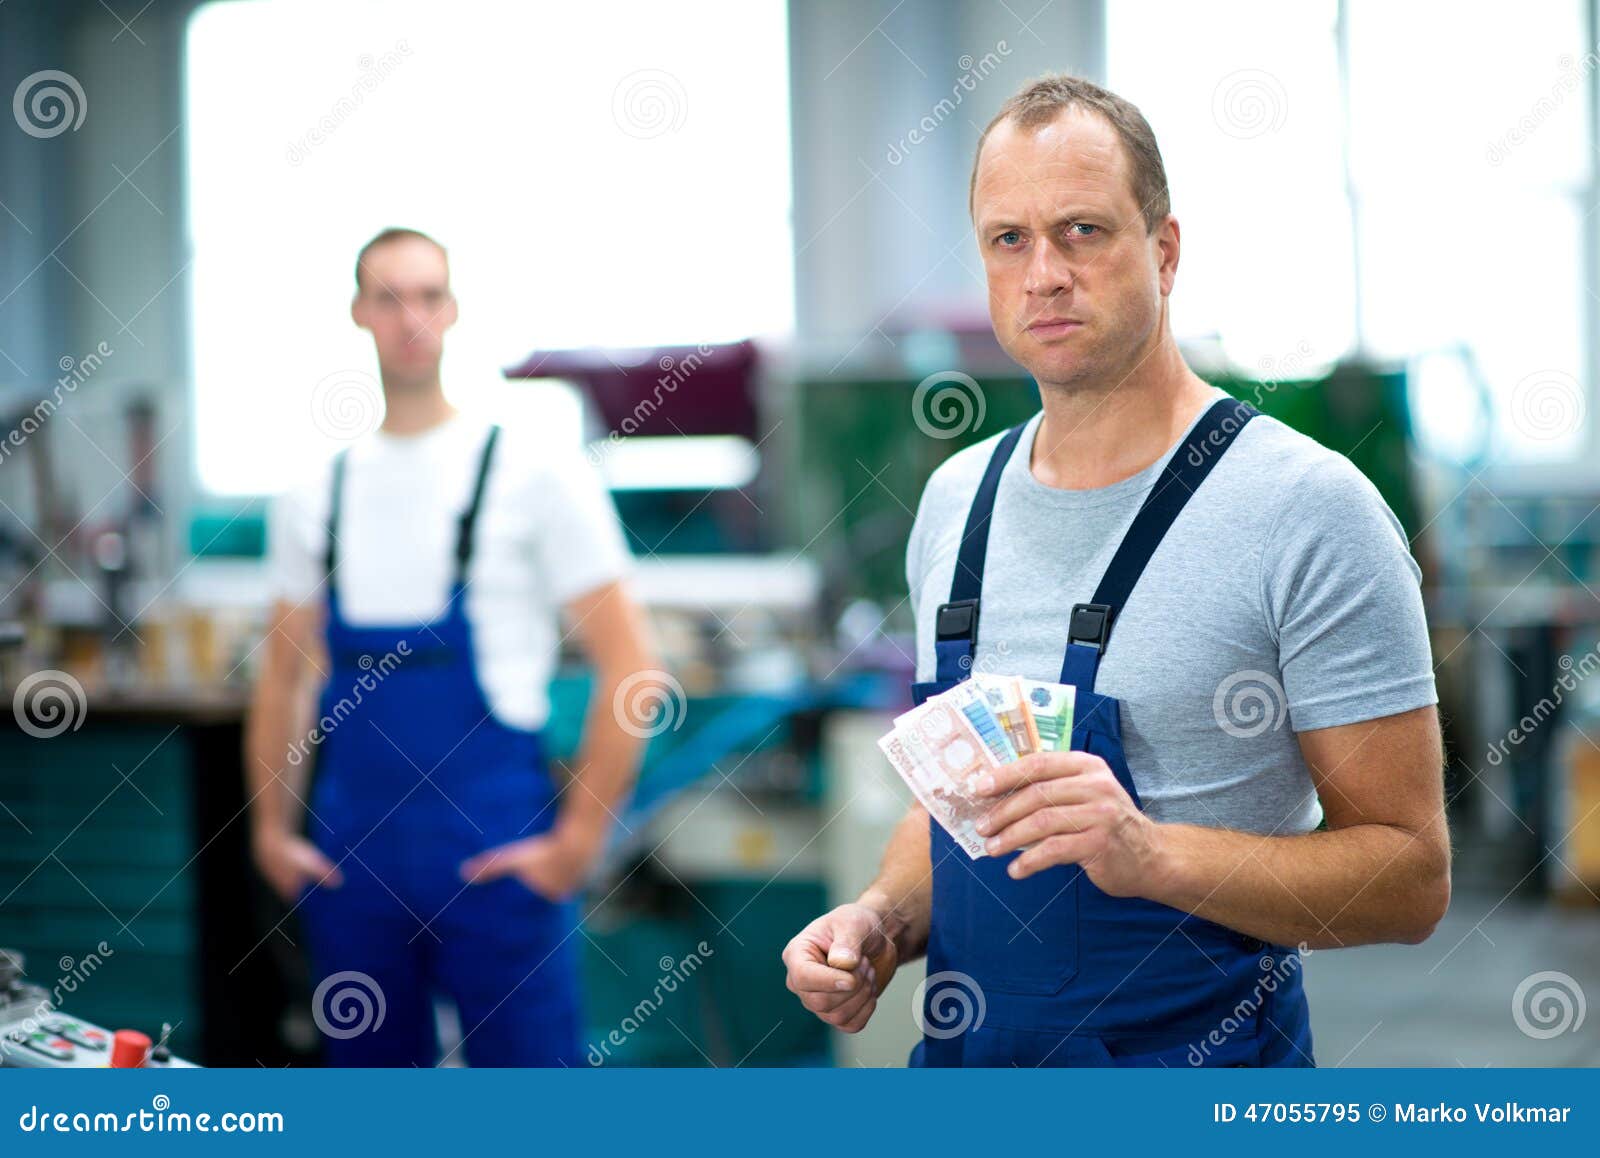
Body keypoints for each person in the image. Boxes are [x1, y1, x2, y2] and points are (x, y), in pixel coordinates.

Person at [782, 76, 1450, 1067]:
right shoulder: (955, 504)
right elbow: (959, 814)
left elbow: (1409, 879)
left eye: (1082, 231)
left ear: (1164, 251)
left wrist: (1147, 856)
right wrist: (881, 920)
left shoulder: (1305, 509)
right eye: (1008, 239)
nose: (1043, 272)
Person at [248, 227, 657, 1066]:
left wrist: (579, 843)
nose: (411, 318)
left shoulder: (534, 472)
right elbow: (284, 676)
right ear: (359, 312)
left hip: (497, 853)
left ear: (454, 309)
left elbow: (633, 668)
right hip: (352, 864)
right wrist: (270, 835)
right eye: (389, 297)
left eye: (429, 295)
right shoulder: (313, 495)